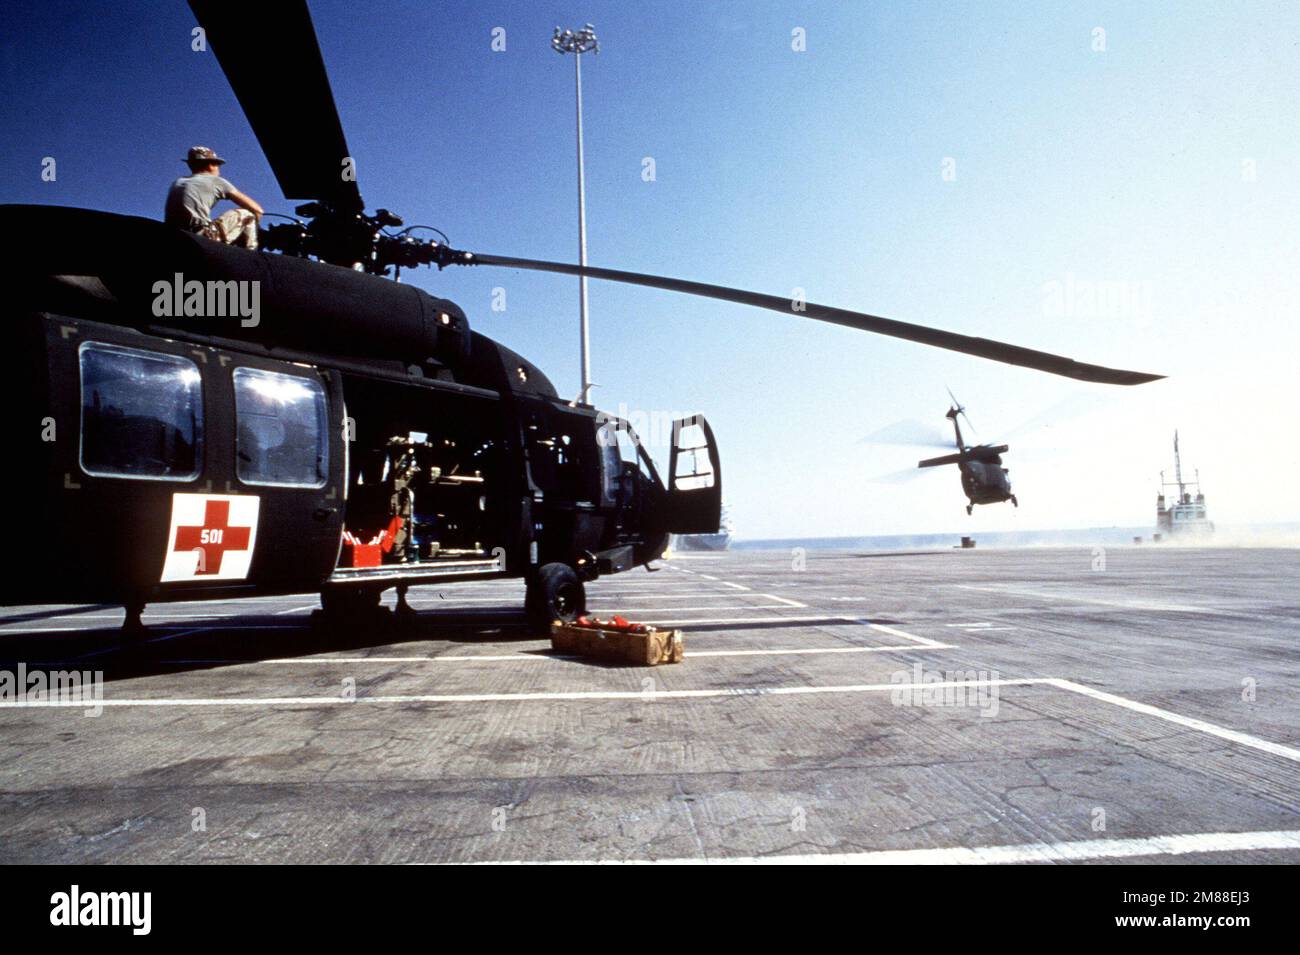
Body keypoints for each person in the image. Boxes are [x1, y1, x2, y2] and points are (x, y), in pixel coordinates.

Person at [164, 146, 263, 248]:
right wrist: (257, 229)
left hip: (174, 239)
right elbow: (257, 210)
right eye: (218, 165)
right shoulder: (216, 181)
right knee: (247, 214)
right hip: (202, 237)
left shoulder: (177, 182)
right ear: (211, 165)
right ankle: (249, 255)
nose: (218, 170)